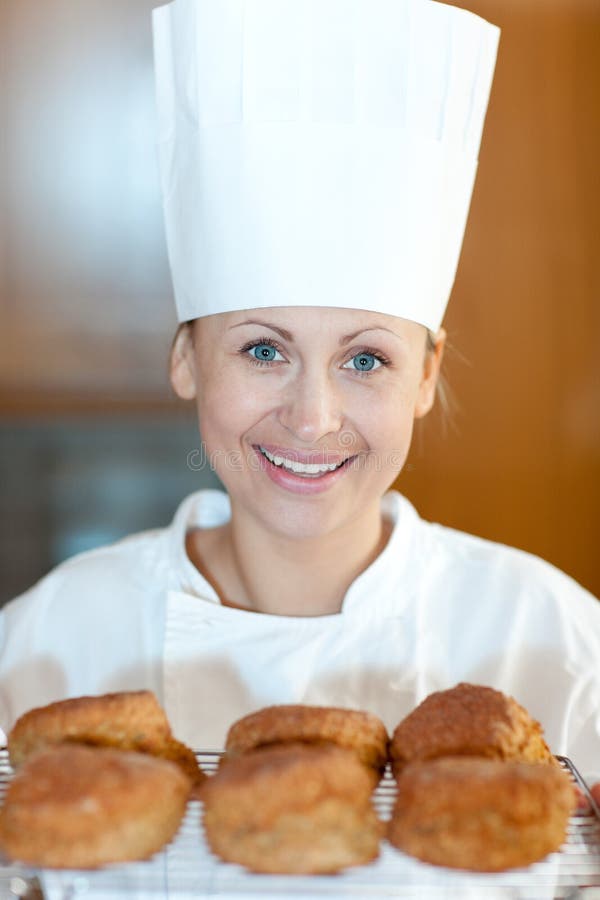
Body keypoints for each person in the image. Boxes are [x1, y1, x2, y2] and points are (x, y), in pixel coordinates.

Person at [1, 0, 599, 808]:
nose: (314, 417)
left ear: (425, 376)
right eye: (263, 350)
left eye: (366, 359)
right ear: (185, 359)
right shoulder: (50, 640)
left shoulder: (558, 644)